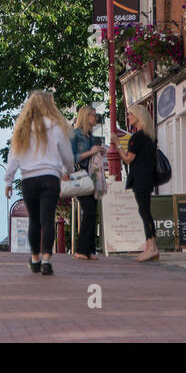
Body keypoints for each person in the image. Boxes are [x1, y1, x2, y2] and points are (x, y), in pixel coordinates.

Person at [4, 91, 74, 275]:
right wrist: (68, 170)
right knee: (47, 219)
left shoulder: (22, 128)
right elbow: (66, 154)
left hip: (29, 178)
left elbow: (14, 157)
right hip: (50, 177)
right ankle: (46, 260)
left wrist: (8, 180)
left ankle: (34, 259)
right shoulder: (56, 127)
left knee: (34, 220)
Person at [122, 108, 158, 262]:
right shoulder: (150, 137)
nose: (128, 117)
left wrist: (117, 145)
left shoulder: (137, 137)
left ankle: (152, 247)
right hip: (148, 178)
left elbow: (128, 159)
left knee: (144, 212)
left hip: (140, 178)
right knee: (145, 211)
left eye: (130, 114)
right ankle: (150, 247)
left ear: (138, 116)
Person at [70, 104, 105, 259]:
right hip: (80, 176)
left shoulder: (91, 136)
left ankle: (90, 250)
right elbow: (71, 157)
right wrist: (91, 152)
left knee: (92, 212)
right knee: (89, 211)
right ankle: (81, 250)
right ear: (85, 116)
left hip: (92, 177)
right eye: (93, 114)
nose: (95, 117)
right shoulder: (75, 135)